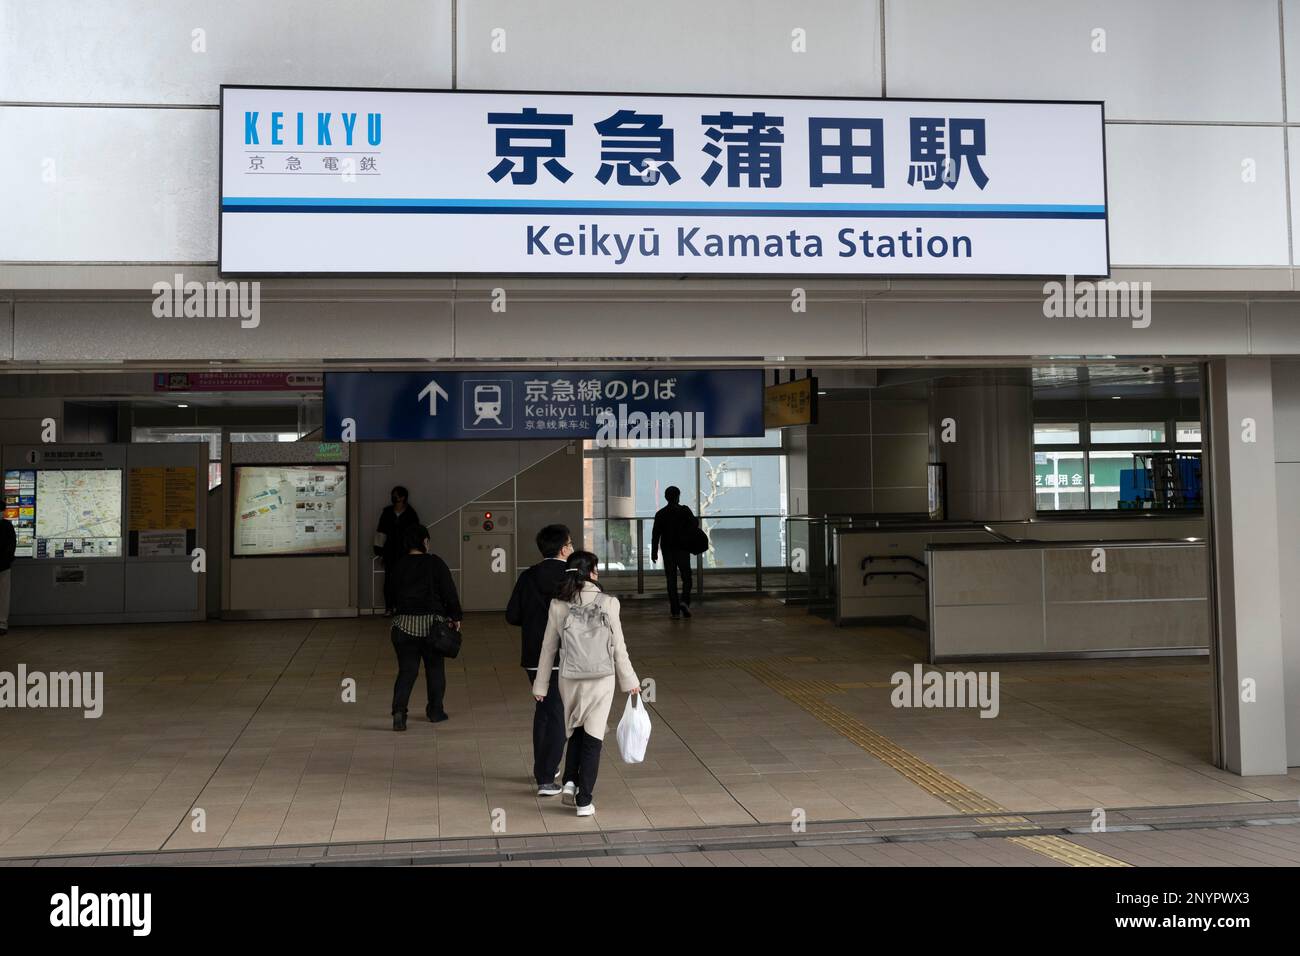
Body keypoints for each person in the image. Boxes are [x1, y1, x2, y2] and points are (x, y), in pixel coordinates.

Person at [532, 551, 639, 817]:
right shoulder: (609, 603)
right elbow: (619, 647)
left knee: (577, 730)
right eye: (596, 569)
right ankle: (584, 800)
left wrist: (541, 686)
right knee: (593, 737)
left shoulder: (558, 605)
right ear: (591, 572)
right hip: (601, 679)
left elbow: (548, 649)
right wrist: (630, 681)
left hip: (569, 678)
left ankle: (569, 781)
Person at [505, 524, 574, 796]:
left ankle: (543, 769)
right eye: (569, 543)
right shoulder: (572, 576)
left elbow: (512, 615)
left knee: (544, 712)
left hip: (534, 657)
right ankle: (546, 777)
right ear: (563, 548)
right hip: (564, 657)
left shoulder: (528, 576)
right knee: (558, 716)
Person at [390, 523, 462, 731]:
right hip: (432, 627)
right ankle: (435, 712)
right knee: (435, 669)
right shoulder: (434, 563)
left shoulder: (398, 565)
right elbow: (449, 592)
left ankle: (399, 712)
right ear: (425, 542)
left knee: (407, 671)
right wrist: (455, 616)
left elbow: (391, 593)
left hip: (403, 626)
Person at [650, 485, 699, 619]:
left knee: (671, 580)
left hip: (668, 551)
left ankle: (675, 611)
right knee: (687, 577)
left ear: (666, 497)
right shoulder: (684, 511)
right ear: (678, 496)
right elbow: (695, 524)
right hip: (682, 549)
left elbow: (656, 535)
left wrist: (654, 552)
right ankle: (685, 602)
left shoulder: (661, 514)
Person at [375, 485, 420, 616]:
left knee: (405, 580)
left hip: (405, 552)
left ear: (402, 497)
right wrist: (379, 552)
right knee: (389, 580)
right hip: (389, 552)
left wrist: (414, 551)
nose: (393, 497)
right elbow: (381, 532)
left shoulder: (411, 514)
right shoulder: (387, 512)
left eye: (396, 495)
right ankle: (389, 607)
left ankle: (402, 607)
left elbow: (415, 533)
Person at [0, 516, 14, 636]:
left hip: (3, 567)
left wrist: (6, 560)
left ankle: (2, 623)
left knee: (3, 595)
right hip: (4, 565)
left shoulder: (7, 526)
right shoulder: (7, 526)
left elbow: (11, 546)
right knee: (3, 595)